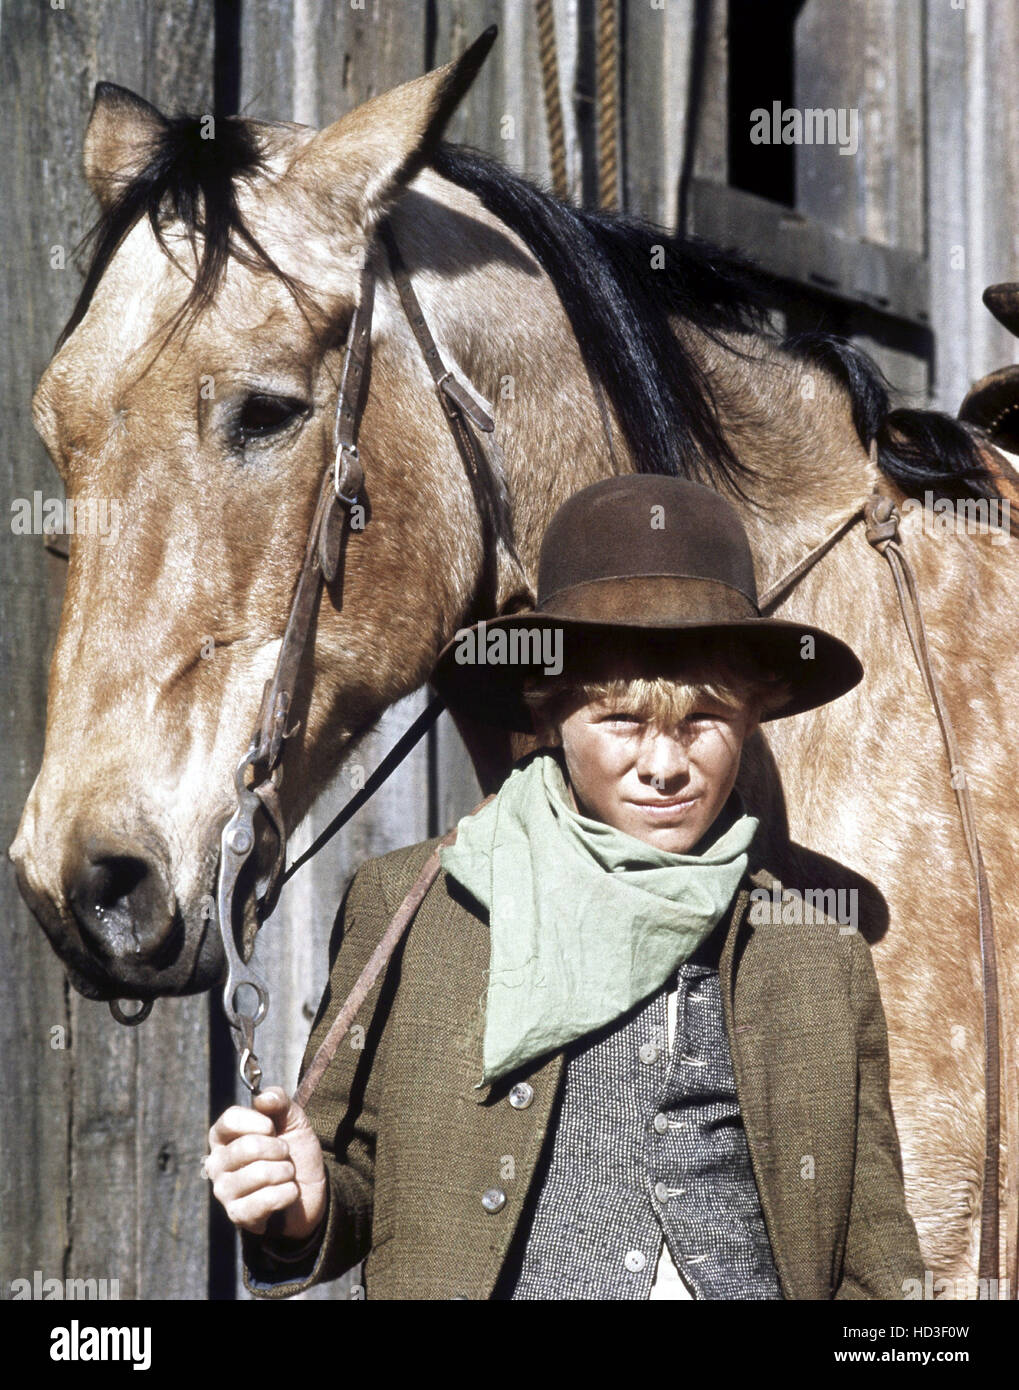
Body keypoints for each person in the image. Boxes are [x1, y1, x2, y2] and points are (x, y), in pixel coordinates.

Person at [206, 474, 924, 1300]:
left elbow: (876, 1262)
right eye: (621, 720)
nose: (664, 766)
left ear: (751, 718)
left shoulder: (815, 955)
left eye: (701, 719)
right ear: (548, 715)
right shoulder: (412, 907)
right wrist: (301, 1207)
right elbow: (352, 1183)